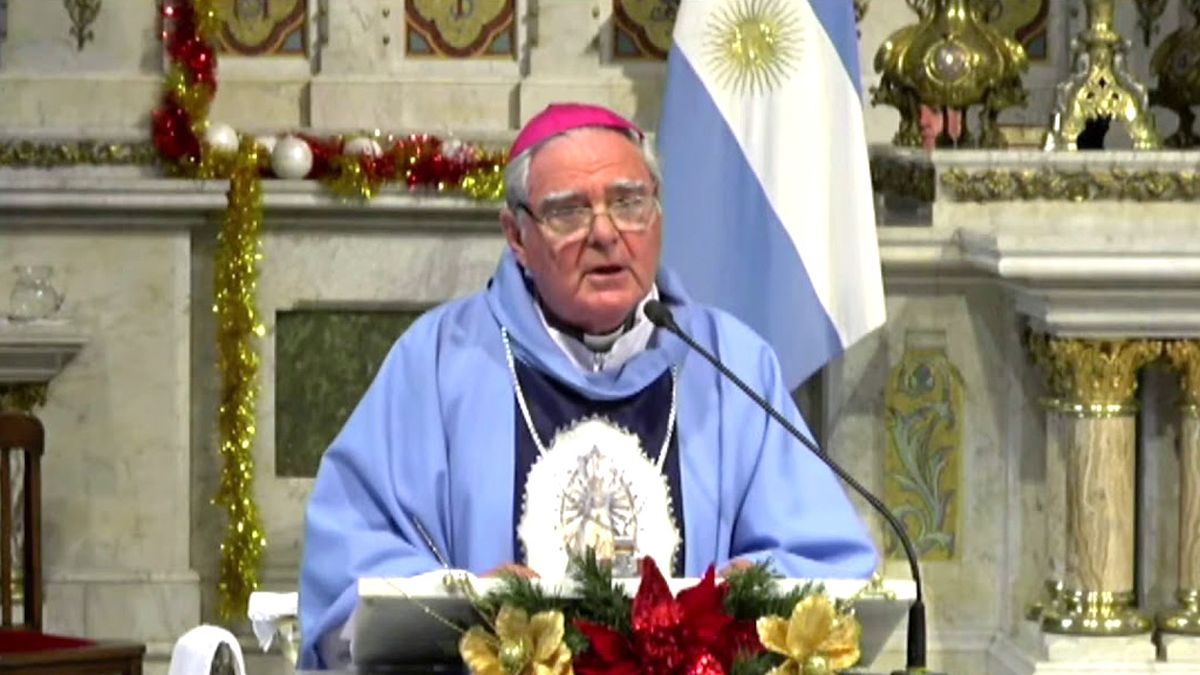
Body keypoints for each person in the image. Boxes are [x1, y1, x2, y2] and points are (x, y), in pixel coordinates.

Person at [298, 103, 878, 670]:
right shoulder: (436, 364)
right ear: (517, 238)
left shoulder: (731, 363)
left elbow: (826, 562)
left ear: (657, 217)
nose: (605, 233)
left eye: (628, 203)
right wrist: (464, 597)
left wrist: (748, 593)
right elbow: (351, 564)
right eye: (568, 211)